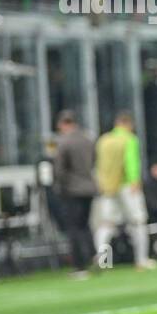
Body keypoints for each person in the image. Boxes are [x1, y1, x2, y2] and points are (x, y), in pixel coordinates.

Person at [93, 112, 155, 269]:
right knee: (138, 221)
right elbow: (131, 161)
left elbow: (99, 164)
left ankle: (103, 261)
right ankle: (141, 259)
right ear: (128, 124)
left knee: (106, 224)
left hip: (108, 187)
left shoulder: (104, 140)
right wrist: (135, 180)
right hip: (127, 185)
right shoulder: (129, 139)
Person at [53, 110, 97, 278]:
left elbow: (60, 169)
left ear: (63, 124)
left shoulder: (64, 142)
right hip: (89, 187)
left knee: (73, 227)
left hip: (72, 190)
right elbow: (93, 160)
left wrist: (60, 187)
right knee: (85, 225)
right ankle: (93, 256)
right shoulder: (88, 139)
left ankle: (79, 266)